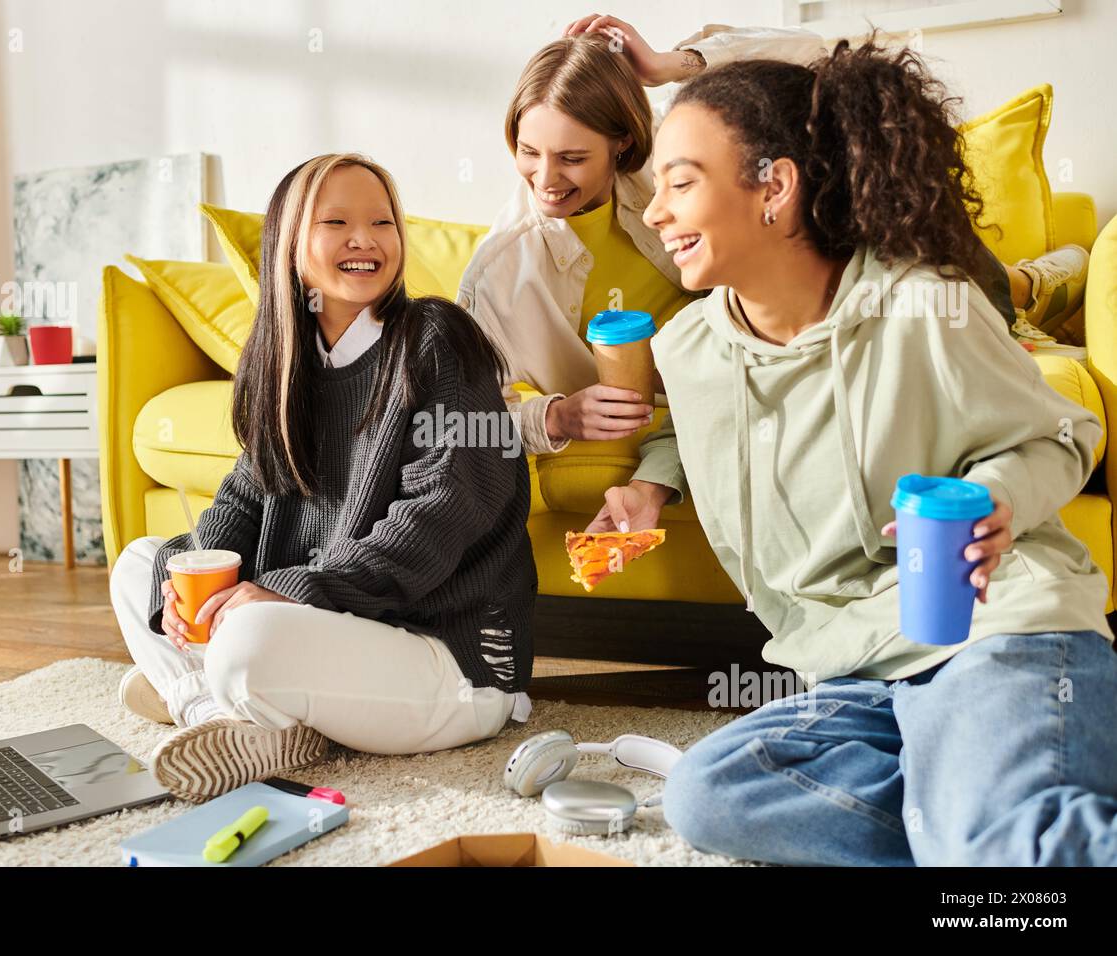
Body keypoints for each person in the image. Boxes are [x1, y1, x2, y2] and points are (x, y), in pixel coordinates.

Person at [588, 37, 1117, 865]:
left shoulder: (922, 306)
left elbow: (1063, 431)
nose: (655, 213)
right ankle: (965, 827)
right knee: (710, 792)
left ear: (776, 188)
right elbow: (689, 430)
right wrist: (650, 487)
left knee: (1008, 850)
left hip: (988, 628)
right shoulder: (689, 349)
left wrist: (997, 496)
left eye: (681, 183)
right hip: (854, 673)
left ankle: (988, 826)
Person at [109, 153, 537, 803]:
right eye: (336, 221)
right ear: (289, 245)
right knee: (143, 565)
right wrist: (191, 581)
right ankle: (215, 711)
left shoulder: (436, 338)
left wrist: (290, 591)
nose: (364, 239)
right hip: (338, 629)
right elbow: (245, 496)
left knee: (248, 642)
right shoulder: (282, 361)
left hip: (449, 658)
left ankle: (207, 691)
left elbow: (443, 510)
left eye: (382, 222)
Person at [459, 18, 1090, 457]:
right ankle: (1027, 286)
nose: (546, 178)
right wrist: (555, 416)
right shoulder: (501, 271)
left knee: (892, 211)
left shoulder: (671, 161)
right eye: (527, 150)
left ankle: (1027, 288)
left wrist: (671, 66)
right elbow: (454, 423)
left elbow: (816, 61)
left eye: (571, 157)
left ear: (624, 139)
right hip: (720, 380)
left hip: (788, 323)